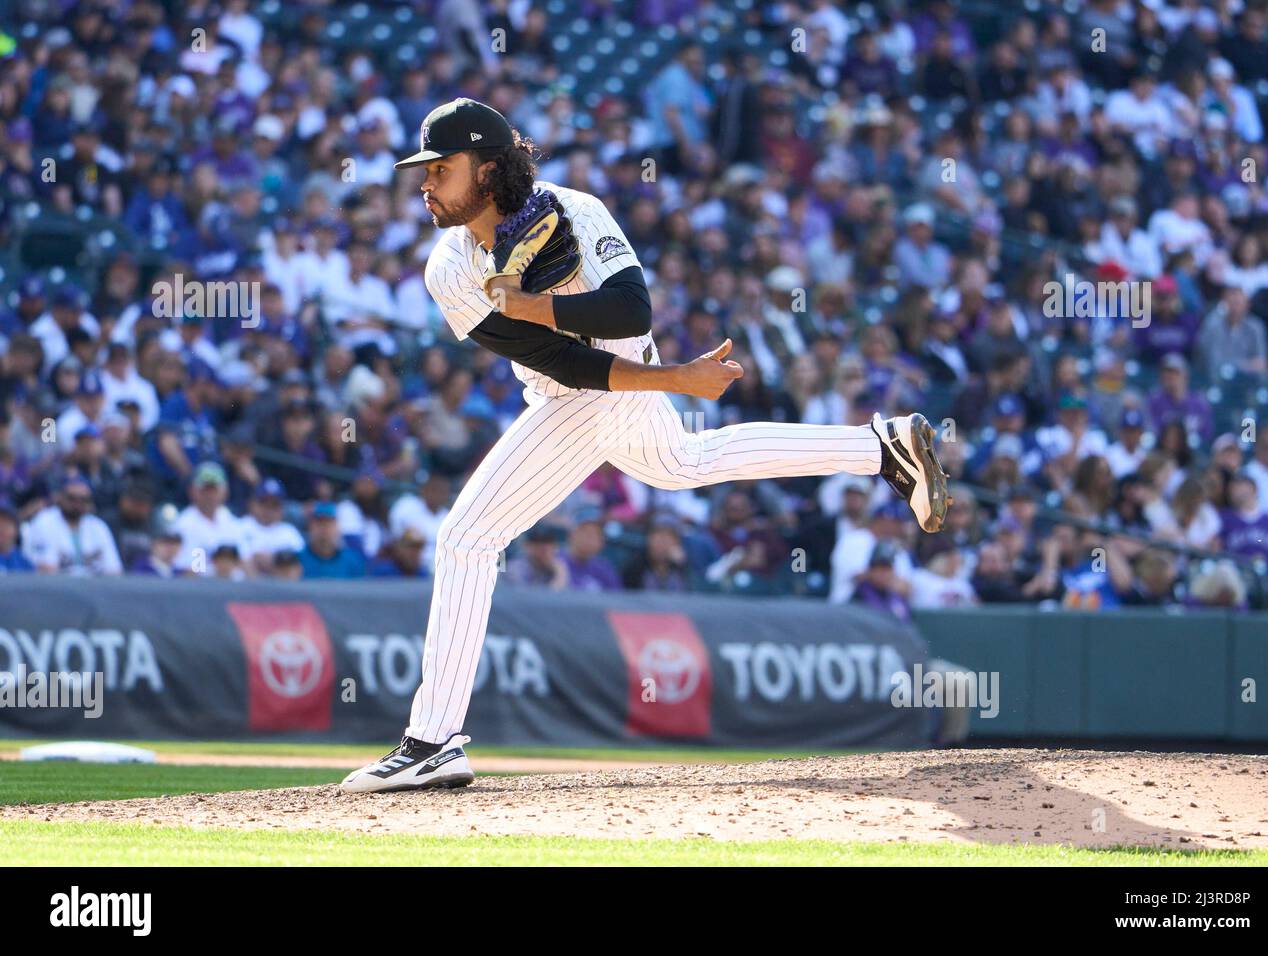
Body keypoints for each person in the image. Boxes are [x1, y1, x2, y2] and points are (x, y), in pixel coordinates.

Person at [342, 99, 951, 793]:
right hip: (578, 383)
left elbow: (632, 309)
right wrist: (672, 380)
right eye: (422, 171)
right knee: (685, 462)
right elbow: (559, 363)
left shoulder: (574, 209)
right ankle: (882, 446)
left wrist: (539, 305)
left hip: (613, 365)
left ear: (486, 169)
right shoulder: (447, 268)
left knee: (466, 539)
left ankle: (431, 742)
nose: (424, 184)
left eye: (440, 169)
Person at [22, 475, 122, 576]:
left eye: (84, 499)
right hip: (55, 589)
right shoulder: (44, 521)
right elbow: (45, 569)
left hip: (95, 589)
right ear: (60, 497)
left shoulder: (98, 526)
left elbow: (114, 570)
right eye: (72, 498)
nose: (77, 504)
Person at [298, 502, 367, 579]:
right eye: (319, 523)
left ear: (338, 526)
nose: (324, 527)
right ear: (310, 527)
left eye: (329, 522)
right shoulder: (297, 560)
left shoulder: (353, 561)